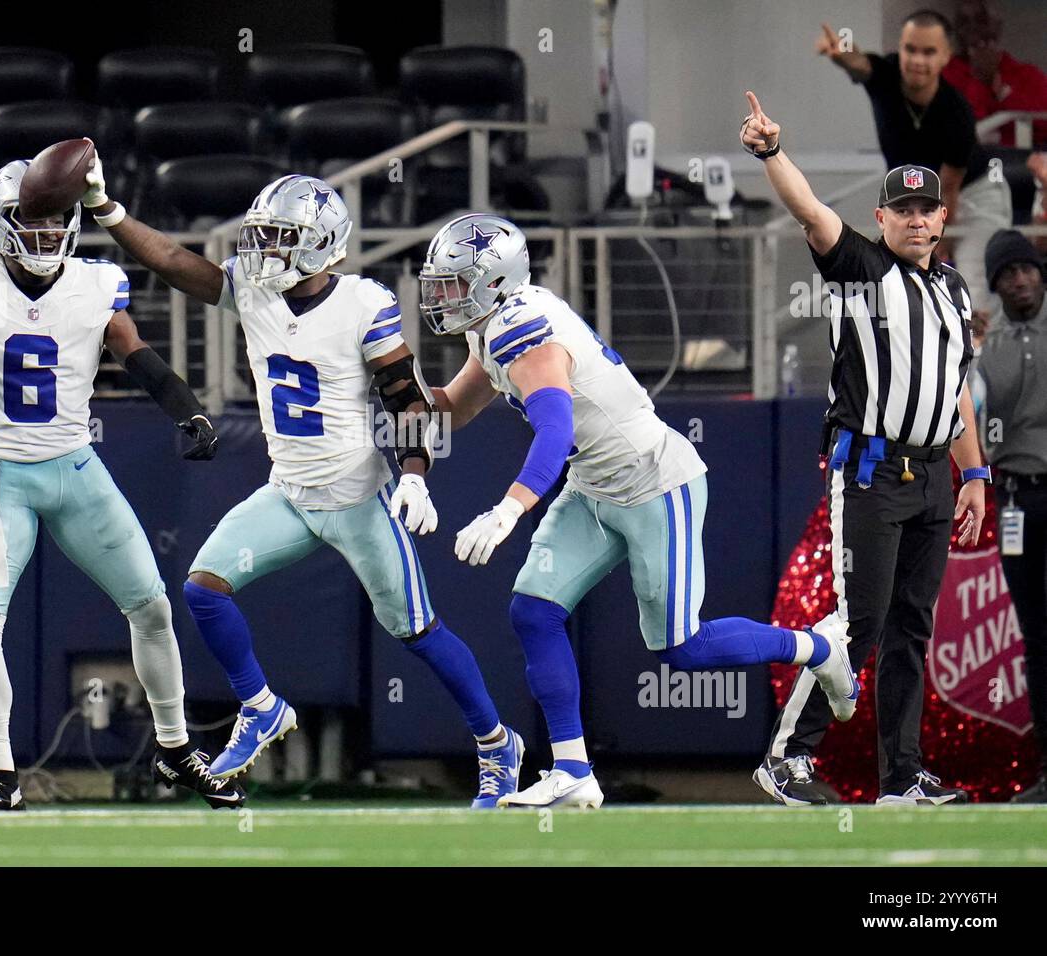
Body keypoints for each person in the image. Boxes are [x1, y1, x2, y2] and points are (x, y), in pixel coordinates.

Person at [81, 159, 525, 807]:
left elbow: (404, 397)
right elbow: (175, 262)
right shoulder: (253, 291)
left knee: (418, 632)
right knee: (203, 590)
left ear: (319, 242)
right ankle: (261, 707)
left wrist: (417, 477)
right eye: (262, 234)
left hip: (355, 497)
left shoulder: (363, 303)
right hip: (288, 492)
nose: (262, 248)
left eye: (279, 236)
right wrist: (106, 208)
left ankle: (496, 744)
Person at [419, 213, 862, 809]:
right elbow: (455, 406)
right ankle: (573, 770)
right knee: (533, 611)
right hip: (595, 484)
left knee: (684, 649)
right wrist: (388, 387)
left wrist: (507, 512)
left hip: (655, 483)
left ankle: (819, 648)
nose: (441, 296)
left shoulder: (522, 330)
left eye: (453, 282)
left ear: (493, 280)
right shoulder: (492, 325)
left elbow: (554, 433)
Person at [0, 160, 243, 811]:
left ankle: (176, 750)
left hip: (74, 466)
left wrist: (189, 408)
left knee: (151, 607)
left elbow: (135, 352)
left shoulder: (95, 282)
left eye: (52, 222)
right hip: (3, 473)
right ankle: (1, 776)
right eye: (29, 223)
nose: (43, 236)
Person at [742, 89, 989, 805]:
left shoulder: (951, 289)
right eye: (902, 209)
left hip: (936, 474)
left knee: (913, 627)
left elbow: (956, 388)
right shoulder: (858, 268)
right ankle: (787, 757)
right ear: (881, 218)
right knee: (860, 621)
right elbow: (809, 210)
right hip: (874, 469)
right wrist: (770, 152)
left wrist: (974, 471)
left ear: (944, 216)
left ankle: (902, 777)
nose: (916, 218)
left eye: (927, 208)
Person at [816, 8, 1013, 309]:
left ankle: (978, 349)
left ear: (946, 56)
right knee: (905, 285)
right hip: (920, 200)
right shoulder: (886, 75)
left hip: (973, 194)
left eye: (929, 52)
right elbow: (860, 64)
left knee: (974, 286)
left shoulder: (956, 112)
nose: (918, 60)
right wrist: (840, 55)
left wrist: (939, 245)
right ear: (901, 48)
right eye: (911, 49)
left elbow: (949, 190)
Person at [975, 229, 1047, 802]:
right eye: (1007, 274)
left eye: (1026, 269)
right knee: (1036, 639)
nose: (1019, 280)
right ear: (996, 286)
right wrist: (965, 348)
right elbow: (966, 411)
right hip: (1019, 497)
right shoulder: (987, 346)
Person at [943, 0, 1047, 148]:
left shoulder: (1026, 74)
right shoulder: (943, 76)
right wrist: (978, 79)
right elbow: (959, 130)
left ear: (997, 27)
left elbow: (1043, 124)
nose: (973, 28)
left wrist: (1001, 90)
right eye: (964, 22)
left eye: (981, 20)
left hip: (1020, 163)